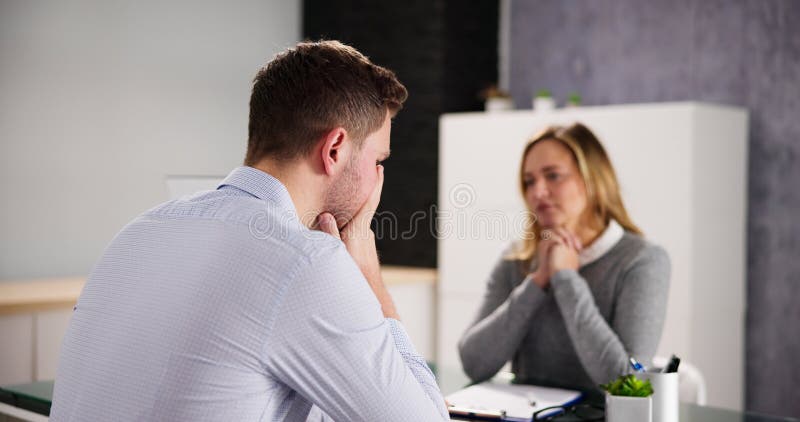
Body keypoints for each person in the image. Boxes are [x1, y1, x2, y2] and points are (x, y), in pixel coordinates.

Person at [50, 40, 448, 421]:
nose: (379, 179)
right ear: (334, 150)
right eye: (378, 160)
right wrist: (367, 276)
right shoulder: (306, 263)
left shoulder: (138, 232)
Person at [458, 123, 670, 392]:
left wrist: (566, 279)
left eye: (553, 176)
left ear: (593, 178)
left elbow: (626, 382)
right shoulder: (516, 258)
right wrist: (538, 282)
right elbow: (474, 363)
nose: (538, 192)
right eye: (529, 181)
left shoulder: (643, 261)